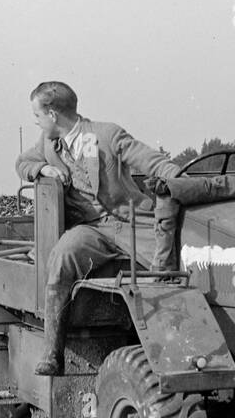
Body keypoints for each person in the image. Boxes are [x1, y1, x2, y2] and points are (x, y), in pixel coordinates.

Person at [14, 81, 180, 375]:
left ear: (52, 114)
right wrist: (43, 169)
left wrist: (181, 181)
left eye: (37, 115)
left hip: (130, 222)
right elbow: (23, 162)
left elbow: (151, 160)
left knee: (173, 268)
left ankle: (177, 356)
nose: (35, 122)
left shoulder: (107, 134)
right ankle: (52, 354)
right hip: (91, 228)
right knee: (62, 255)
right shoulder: (48, 145)